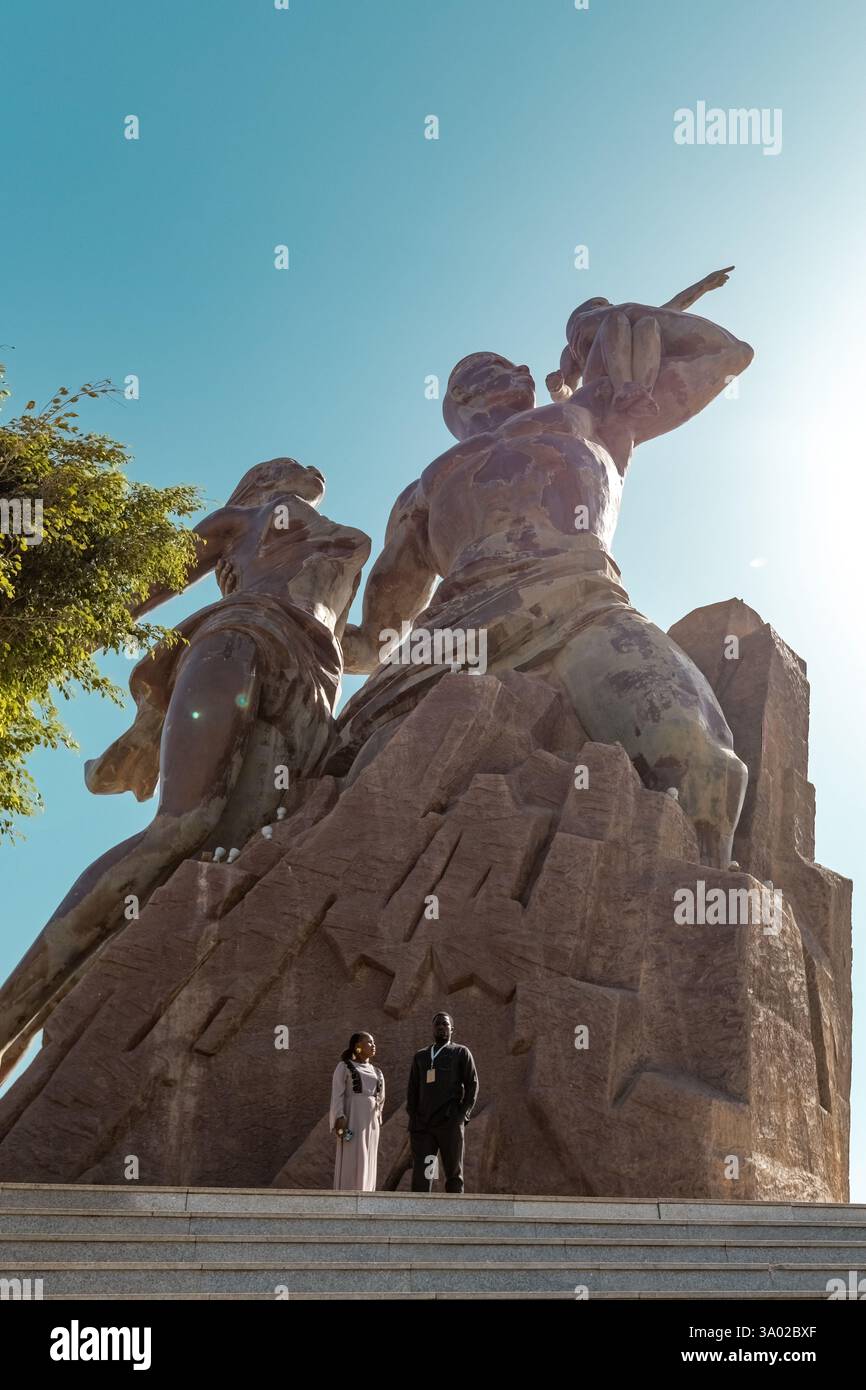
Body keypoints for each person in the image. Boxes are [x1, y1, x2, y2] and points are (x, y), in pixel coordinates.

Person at [338, 270, 754, 869]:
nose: (510, 375)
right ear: (454, 404)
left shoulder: (591, 412)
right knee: (365, 784)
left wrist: (611, 321)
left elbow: (725, 353)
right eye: (478, 373)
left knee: (694, 752)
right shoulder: (423, 490)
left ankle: (703, 901)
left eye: (510, 367)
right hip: (450, 637)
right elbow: (376, 632)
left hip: (583, 604)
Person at [0, 458, 370, 1084]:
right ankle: (14, 1014)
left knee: (226, 856)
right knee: (181, 827)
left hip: (312, 694)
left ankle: (70, 1029)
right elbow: (147, 586)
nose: (305, 472)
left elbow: (358, 645)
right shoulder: (243, 519)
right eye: (281, 468)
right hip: (239, 637)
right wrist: (59, 636)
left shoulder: (338, 544)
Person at [407, 1012, 478, 1194]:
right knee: (425, 1172)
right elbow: (413, 1089)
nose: (441, 1027)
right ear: (432, 1028)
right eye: (437, 1024)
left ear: (452, 1029)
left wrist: (462, 1115)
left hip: (450, 1122)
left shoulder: (460, 1052)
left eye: (445, 1024)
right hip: (424, 1126)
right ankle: (419, 1213)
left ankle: (455, 1215)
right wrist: (414, 1117)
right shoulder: (421, 1056)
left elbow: (472, 1085)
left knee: (453, 1172)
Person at [329, 1031, 385, 1192]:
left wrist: (377, 1118)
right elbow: (337, 1094)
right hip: (352, 1118)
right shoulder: (344, 1066)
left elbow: (380, 1099)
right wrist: (339, 1117)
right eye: (369, 1042)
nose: (373, 1045)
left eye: (374, 1042)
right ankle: (347, 1196)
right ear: (358, 1047)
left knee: (369, 1156)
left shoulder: (378, 1072)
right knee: (352, 1156)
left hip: (371, 1122)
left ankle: (366, 1192)